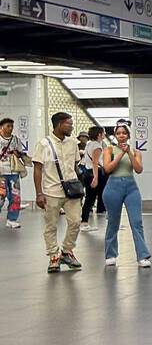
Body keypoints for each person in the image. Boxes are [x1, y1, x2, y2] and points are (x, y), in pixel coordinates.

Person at [31, 112, 84, 273]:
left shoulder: (73, 144)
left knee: (75, 221)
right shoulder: (43, 144)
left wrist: (80, 188)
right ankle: (54, 255)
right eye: (69, 123)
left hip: (72, 192)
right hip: (51, 191)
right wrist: (39, 193)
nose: (72, 126)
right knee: (51, 225)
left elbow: (75, 167)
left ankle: (67, 251)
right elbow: (38, 169)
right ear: (60, 124)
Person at [100, 123, 150, 268]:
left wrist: (129, 152)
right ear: (115, 136)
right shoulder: (109, 149)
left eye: (124, 133)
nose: (121, 135)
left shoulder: (136, 152)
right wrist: (121, 153)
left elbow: (139, 169)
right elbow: (108, 168)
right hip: (113, 187)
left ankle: (142, 256)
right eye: (118, 133)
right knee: (113, 222)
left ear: (128, 135)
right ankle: (110, 254)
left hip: (131, 187)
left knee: (136, 222)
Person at [78, 125, 107, 229]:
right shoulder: (97, 146)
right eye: (103, 132)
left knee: (90, 198)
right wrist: (96, 177)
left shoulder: (89, 144)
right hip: (95, 173)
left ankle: (84, 221)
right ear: (99, 134)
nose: (105, 134)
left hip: (87, 172)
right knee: (93, 198)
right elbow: (95, 162)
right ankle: (84, 222)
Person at [1, 116, 27, 229]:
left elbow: (22, 153)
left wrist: (18, 154)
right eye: (8, 126)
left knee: (15, 197)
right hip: (1, 172)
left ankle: (11, 219)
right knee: (1, 196)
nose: (10, 128)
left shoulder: (16, 139)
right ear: (1, 127)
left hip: (13, 172)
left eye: (12, 126)